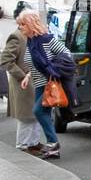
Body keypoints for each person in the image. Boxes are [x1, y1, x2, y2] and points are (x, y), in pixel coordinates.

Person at [21, 16, 72, 160]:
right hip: (39, 83)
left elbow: (67, 54)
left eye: (23, 24)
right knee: (43, 112)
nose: (20, 27)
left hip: (48, 83)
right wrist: (28, 76)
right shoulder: (31, 41)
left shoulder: (46, 40)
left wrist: (52, 68)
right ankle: (52, 147)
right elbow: (35, 63)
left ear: (31, 25)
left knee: (38, 111)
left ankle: (53, 143)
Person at [0, 12, 44, 154]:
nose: (21, 26)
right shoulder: (17, 36)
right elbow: (5, 60)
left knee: (36, 115)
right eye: (21, 24)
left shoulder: (33, 36)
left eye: (24, 23)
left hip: (34, 81)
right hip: (23, 84)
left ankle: (33, 143)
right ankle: (24, 145)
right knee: (26, 117)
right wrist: (22, 76)